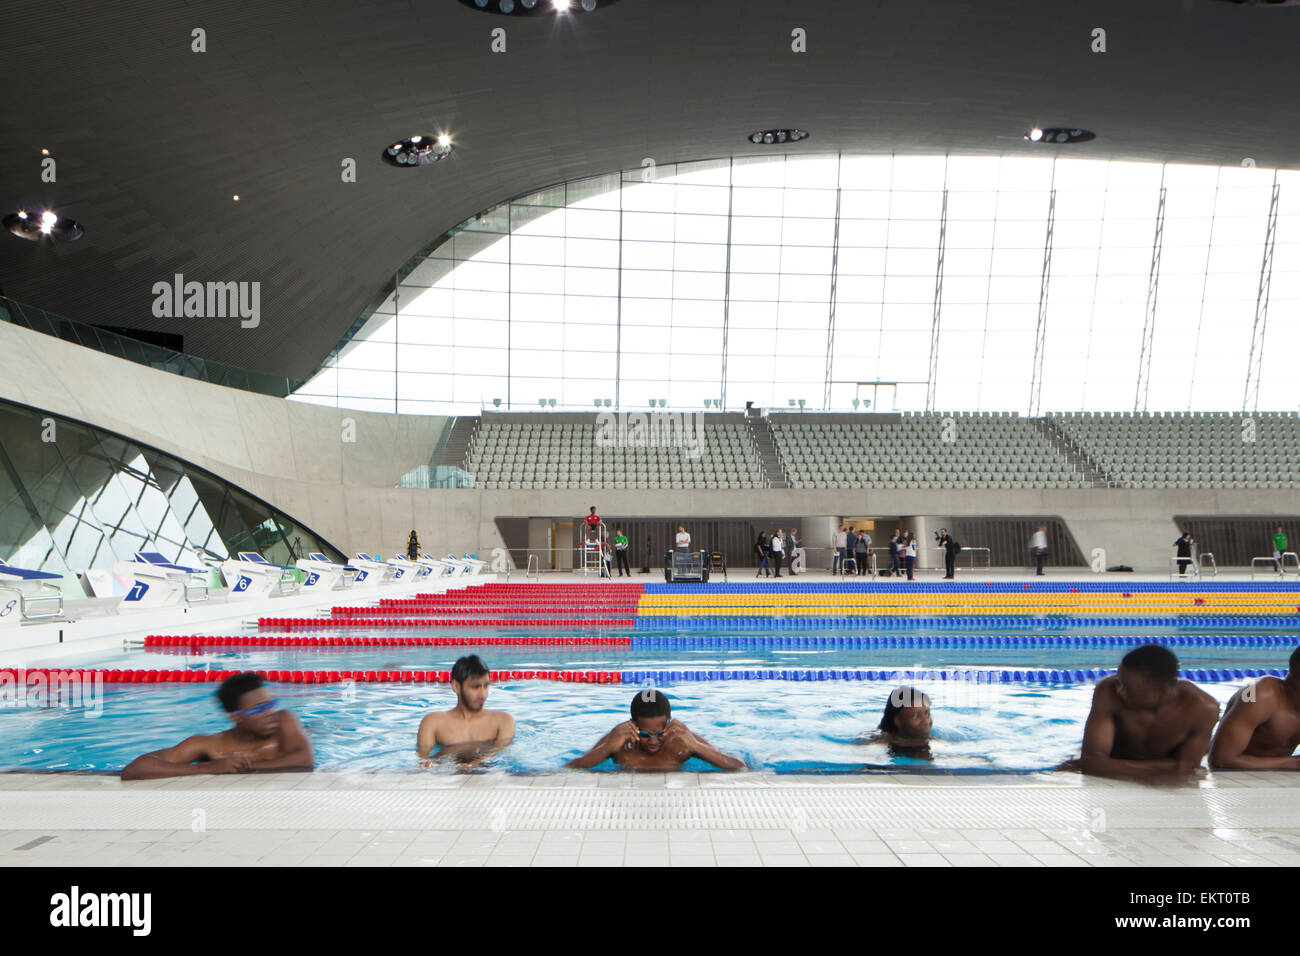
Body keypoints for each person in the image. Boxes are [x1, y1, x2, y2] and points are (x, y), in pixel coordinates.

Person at [1060, 645, 1218, 782]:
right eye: (1119, 680)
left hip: (1117, 761)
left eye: (1127, 687)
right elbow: (1092, 762)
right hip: (1121, 757)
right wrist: (1160, 770)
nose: (1119, 691)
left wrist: (1113, 766)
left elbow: (1187, 768)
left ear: (1162, 692)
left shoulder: (1203, 709)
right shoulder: (1107, 691)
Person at [121, 673, 314, 780]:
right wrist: (209, 768)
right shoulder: (211, 745)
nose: (270, 712)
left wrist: (243, 767)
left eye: (271, 704)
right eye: (259, 709)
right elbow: (134, 769)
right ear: (237, 717)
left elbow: (304, 759)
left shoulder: (284, 720)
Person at [567, 690, 745, 770]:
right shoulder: (619, 740)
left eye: (660, 734)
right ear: (633, 726)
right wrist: (607, 749)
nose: (653, 741)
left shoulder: (681, 741)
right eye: (645, 735)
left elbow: (739, 766)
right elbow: (570, 768)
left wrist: (695, 746)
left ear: (669, 725)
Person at [1210, 646, 1300, 769]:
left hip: (1272, 775)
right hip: (1233, 775)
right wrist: (1293, 763)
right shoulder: (1258, 694)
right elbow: (1221, 759)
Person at [417, 655, 515, 765]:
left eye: (486, 686)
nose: (483, 694)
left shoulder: (503, 721)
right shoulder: (433, 723)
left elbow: (499, 755)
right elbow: (423, 760)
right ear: (456, 686)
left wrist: (474, 765)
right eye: (475, 687)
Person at [858, 686, 933, 758]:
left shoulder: (929, 740)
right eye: (916, 716)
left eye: (927, 714)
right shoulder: (879, 743)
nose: (926, 721)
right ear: (898, 721)